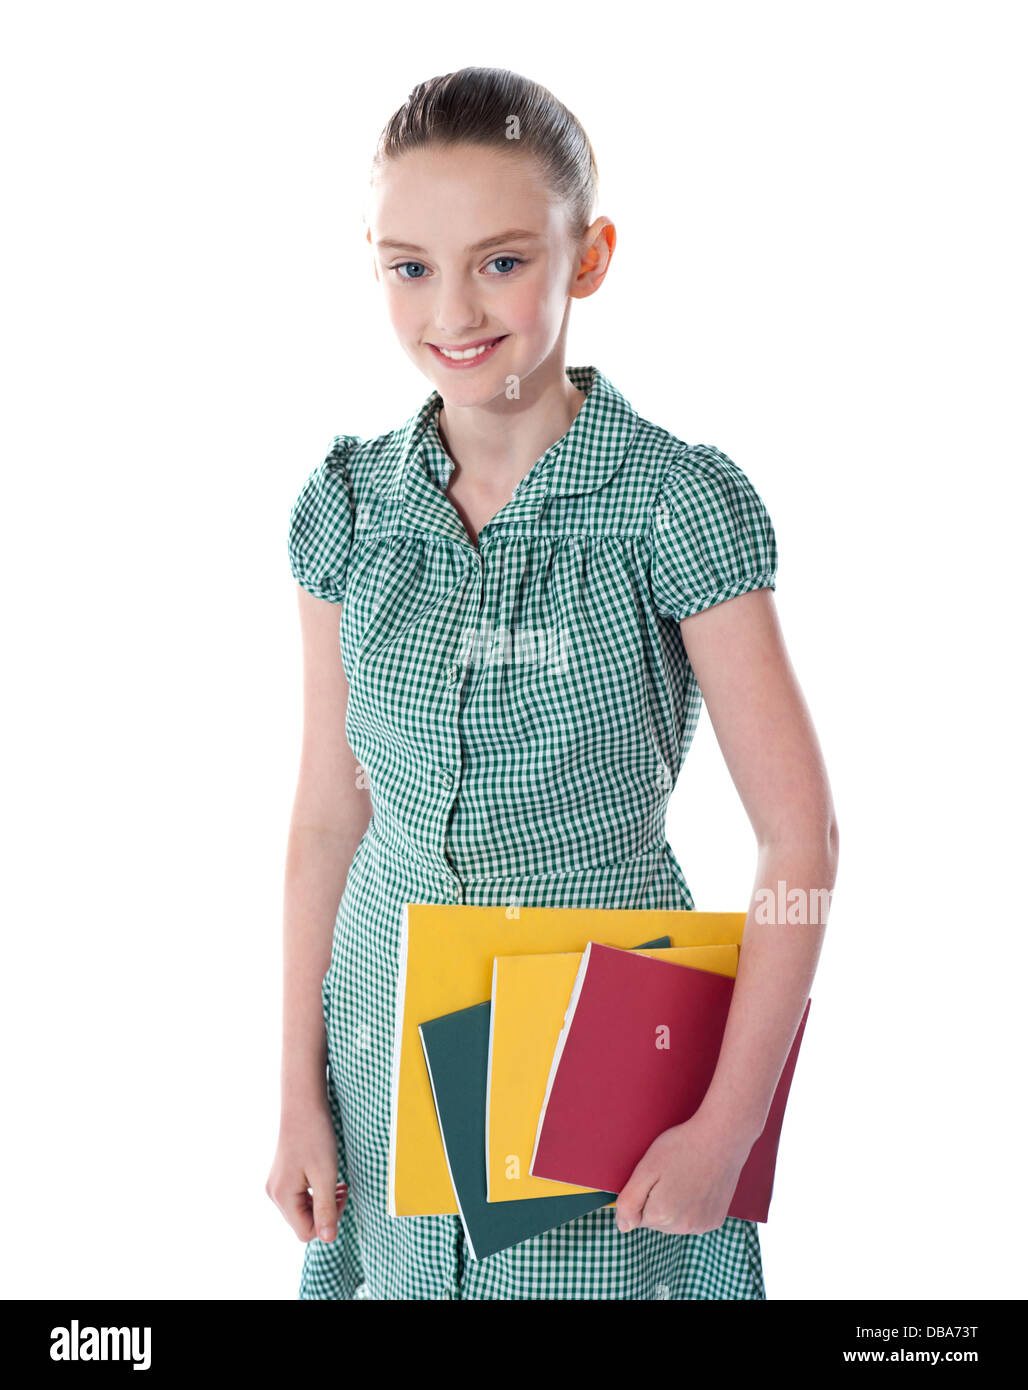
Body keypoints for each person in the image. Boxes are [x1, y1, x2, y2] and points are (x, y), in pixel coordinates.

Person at [265, 65, 839, 1301]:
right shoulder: (349, 510)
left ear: (588, 258)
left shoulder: (672, 505)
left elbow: (798, 842)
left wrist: (724, 1128)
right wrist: (296, 1095)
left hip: (598, 1058)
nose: (453, 308)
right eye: (408, 264)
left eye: (502, 260)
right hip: (383, 1029)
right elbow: (327, 817)